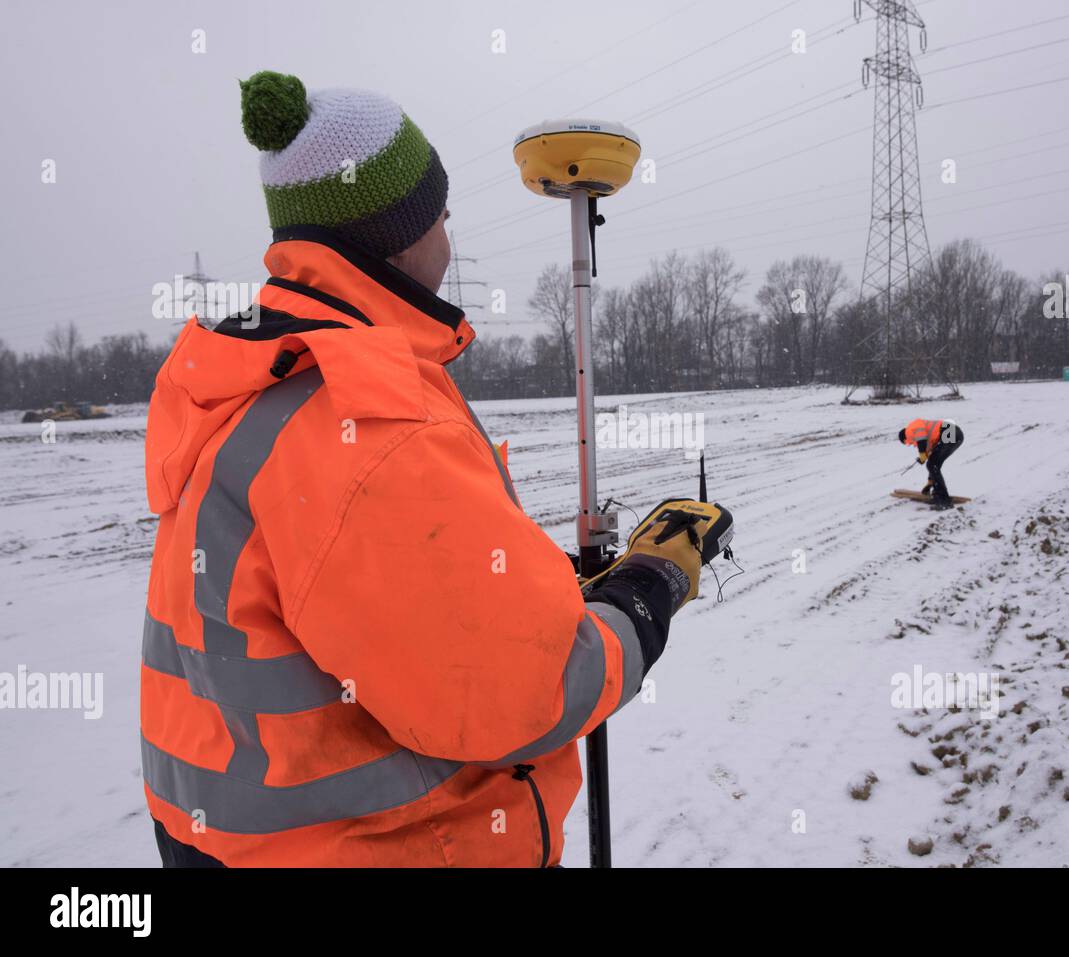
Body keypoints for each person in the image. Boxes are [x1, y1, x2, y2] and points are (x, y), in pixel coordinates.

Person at [139, 71, 732, 867]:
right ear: (402, 231)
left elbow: (359, 596)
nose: (451, 232)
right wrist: (647, 589)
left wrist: (542, 585)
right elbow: (524, 692)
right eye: (440, 211)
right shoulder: (370, 420)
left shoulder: (247, 376)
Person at [898, 418, 964, 509]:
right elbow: (928, 451)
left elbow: (921, 440)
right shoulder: (928, 436)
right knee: (934, 463)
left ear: (905, 438)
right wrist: (923, 458)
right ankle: (935, 487)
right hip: (955, 434)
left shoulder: (910, 429)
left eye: (907, 443)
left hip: (949, 432)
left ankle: (943, 501)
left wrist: (922, 454)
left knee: (932, 464)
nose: (910, 444)